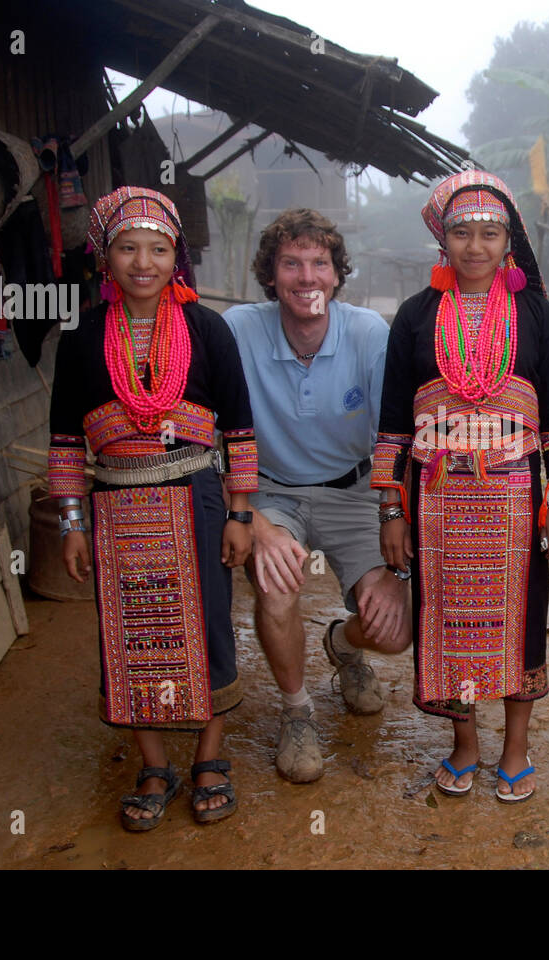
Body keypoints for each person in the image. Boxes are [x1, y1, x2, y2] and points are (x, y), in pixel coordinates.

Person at [49, 186, 259, 830]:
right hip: (114, 502)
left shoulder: (206, 328)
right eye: (127, 247)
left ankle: (209, 759)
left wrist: (240, 513)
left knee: (209, 623)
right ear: (105, 257)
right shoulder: (83, 336)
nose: (143, 261)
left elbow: (240, 429)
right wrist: (73, 524)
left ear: (176, 258)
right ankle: (153, 764)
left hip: (195, 496)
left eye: (158, 249)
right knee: (132, 631)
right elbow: (63, 438)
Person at [374, 170, 549, 802]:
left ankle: (514, 749)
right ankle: (464, 746)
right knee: (451, 624)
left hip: (517, 498)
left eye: (490, 233)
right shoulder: (415, 316)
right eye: (462, 232)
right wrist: (392, 509)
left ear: (508, 240)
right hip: (438, 497)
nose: (475, 246)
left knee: (522, 624)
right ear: (443, 237)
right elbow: (391, 425)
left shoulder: (536, 314)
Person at [224, 209, 411, 784]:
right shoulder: (237, 330)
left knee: (396, 629)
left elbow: (394, 436)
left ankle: (342, 644)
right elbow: (211, 434)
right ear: (271, 275)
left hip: (355, 490)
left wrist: (392, 516)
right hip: (272, 491)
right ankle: (298, 710)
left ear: (336, 275)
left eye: (318, 263)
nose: (306, 277)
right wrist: (254, 521)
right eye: (291, 263)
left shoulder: (367, 333)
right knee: (278, 587)